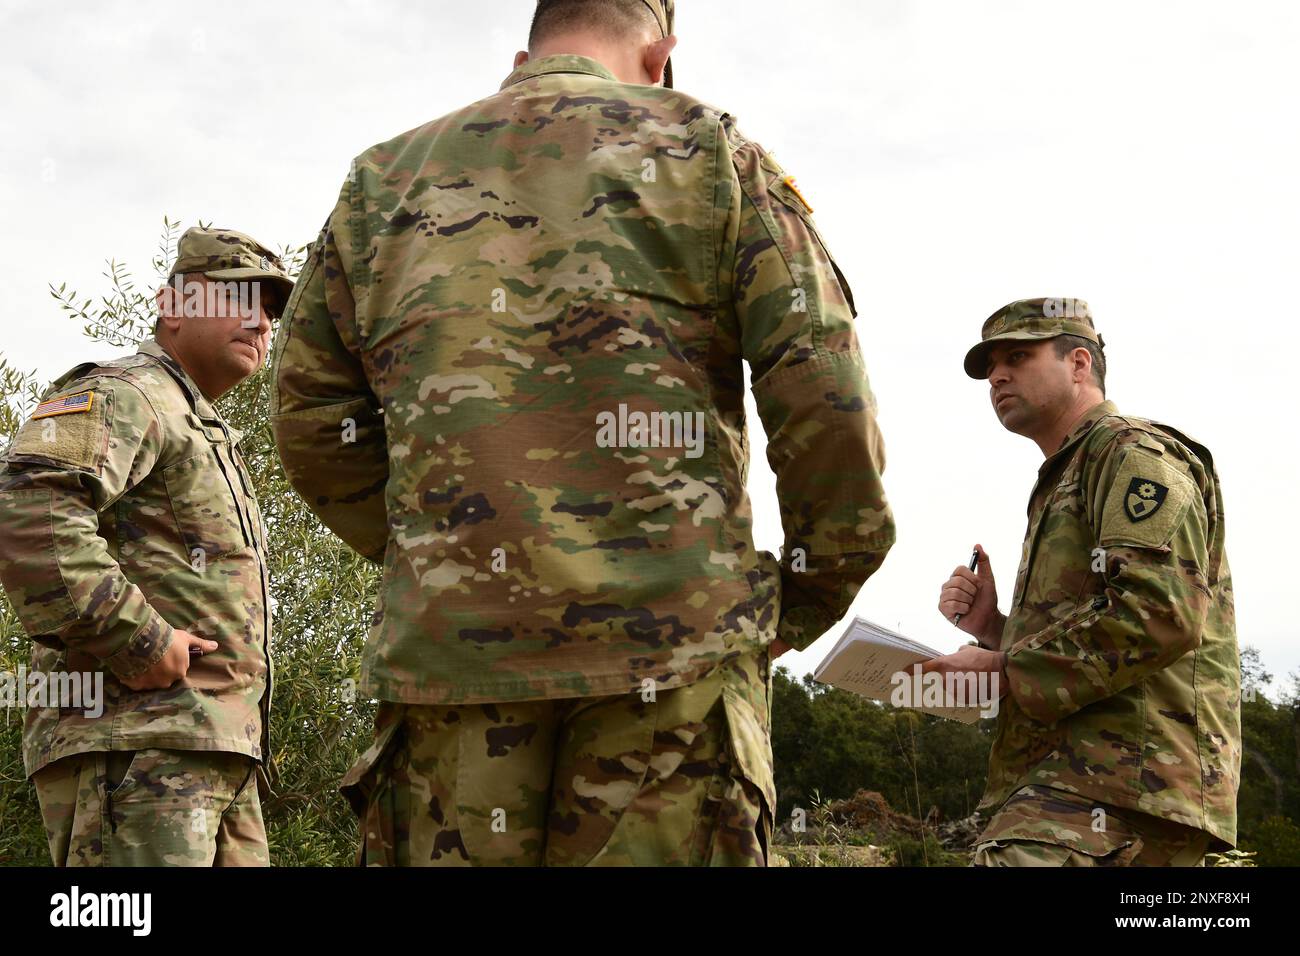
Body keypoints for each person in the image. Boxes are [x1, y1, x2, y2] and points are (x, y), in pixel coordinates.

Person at [270, 0, 893, 865]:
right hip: (672, 668)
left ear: (524, 51)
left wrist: (454, 555)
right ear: (662, 53)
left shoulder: (382, 181)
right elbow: (824, 390)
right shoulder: (711, 152)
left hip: (454, 671)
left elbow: (309, 419)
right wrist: (810, 589)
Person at [0, 227, 291, 866]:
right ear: (173, 306)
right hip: (134, 744)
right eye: (239, 296)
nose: (260, 321)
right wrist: (136, 637)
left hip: (213, 750)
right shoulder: (125, 392)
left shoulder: (199, 425)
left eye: (271, 310)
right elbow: (30, 512)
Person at [929, 297, 1239, 866]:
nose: (997, 375)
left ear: (1079, 363)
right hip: (1081, 786)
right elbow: (1107, 621)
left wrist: (1005, 667)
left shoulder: (1132, 454)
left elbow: (1160, 612)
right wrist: (996, 629)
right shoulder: (1069, 474)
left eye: (1018, 357)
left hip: (1121, 786)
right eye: (991, 366)